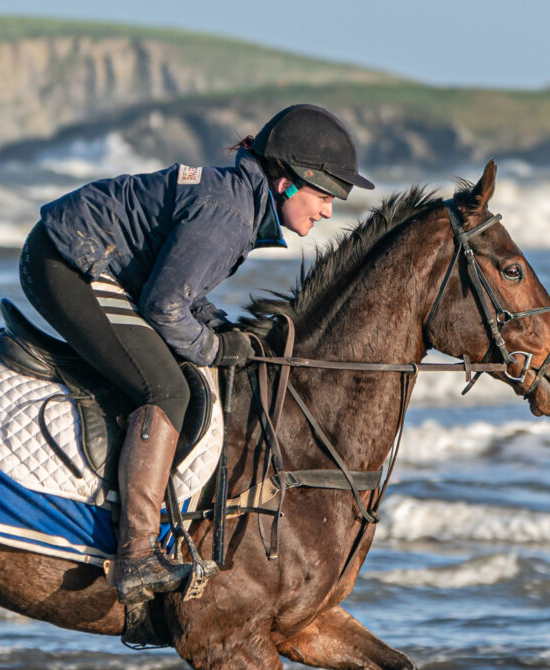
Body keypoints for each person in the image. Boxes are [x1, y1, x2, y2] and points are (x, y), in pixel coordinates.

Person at [19, 103, 374, 608]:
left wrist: (224, 332)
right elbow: (164, 307)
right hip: (65, 262)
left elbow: (183, 290)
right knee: (166, 388)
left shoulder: (239, 204)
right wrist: (212, 347)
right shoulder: (230, 214)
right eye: (325, 194)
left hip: (93, 259)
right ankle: (137, 554)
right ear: (287, 183)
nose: (328, 210)